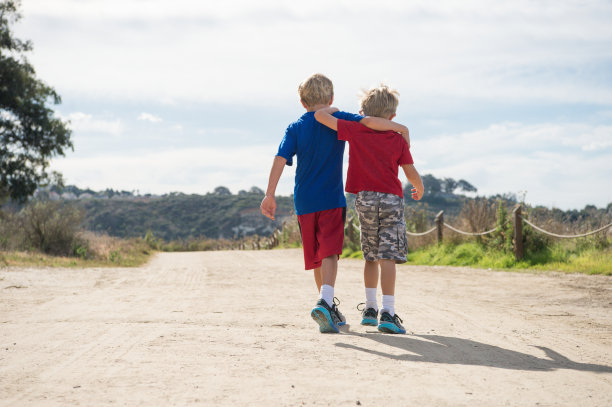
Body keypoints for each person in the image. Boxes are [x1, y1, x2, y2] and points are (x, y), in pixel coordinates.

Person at [260, 74, 409, 333]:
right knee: (329, 252)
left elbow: (279, 158)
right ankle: (325, 302)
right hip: (330, 197)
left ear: (301, 101)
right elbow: (372, 122)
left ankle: (327, 306)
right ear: (331, 98)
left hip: (304, 201)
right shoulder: (339, 118)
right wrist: (400, 129)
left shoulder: (295, 127)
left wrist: (269, 194)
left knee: (317, 256)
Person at [314, 84, 424, 334]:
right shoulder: (397, 139)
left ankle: (371, 308)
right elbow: (410, 171)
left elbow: (321, 116)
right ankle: (388, 311)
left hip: (364, 199)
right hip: (391, 201)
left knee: (370, 255)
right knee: (388, 256)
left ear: (364, 112)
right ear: (392, 116)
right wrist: (419, 187)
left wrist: (336, 109)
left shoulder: (356, 130)